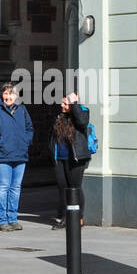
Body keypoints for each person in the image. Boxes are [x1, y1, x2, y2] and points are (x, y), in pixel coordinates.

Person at [0, 83, 33, 231]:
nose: (8, 97)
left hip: (20, 155)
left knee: (15, 188)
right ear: (2, 94)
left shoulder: (22, 110)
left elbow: (29, 128)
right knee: (3, 187)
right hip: (2, 155)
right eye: (6, 93)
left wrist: (25, 142)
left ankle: (13, 218)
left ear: (16, 96)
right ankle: (1, 220)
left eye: (11, 94)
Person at [50, 92, 91, 229]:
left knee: (75, 188)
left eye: (65, 103)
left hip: (76, 158)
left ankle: (78, 217)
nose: (62, 105)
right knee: (63, 188)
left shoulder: (82, 112)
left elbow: (82, 121)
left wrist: (74, 104)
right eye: (62, 103)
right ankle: (65, 217)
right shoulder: (59, 117)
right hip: (60, 158)